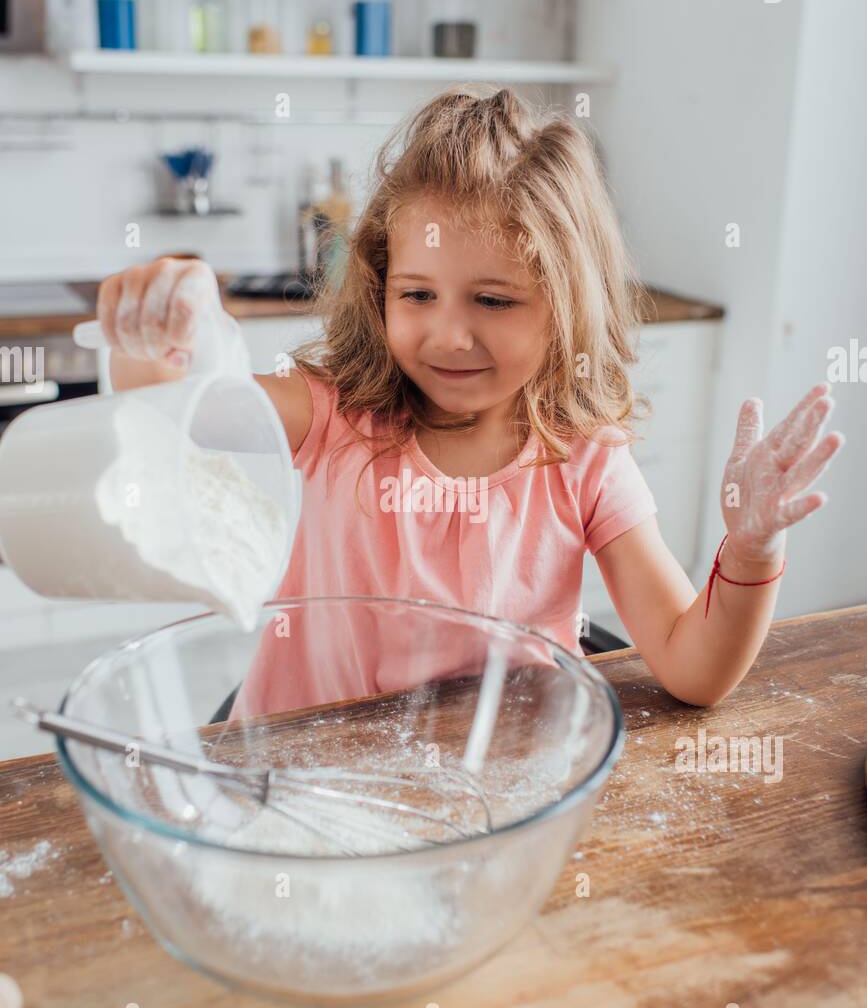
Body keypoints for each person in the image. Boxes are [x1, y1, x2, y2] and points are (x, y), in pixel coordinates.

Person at [98, 86, 844, 714]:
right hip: (308, 784)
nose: (449, 335)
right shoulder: (332, 413)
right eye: (417, 294)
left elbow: (694, 671)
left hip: (493, 784)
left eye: (492, 299)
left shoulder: (584, 460)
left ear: (564, 308)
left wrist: (749, 548)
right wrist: (155, 336)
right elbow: (176, 416)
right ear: (378, 288)